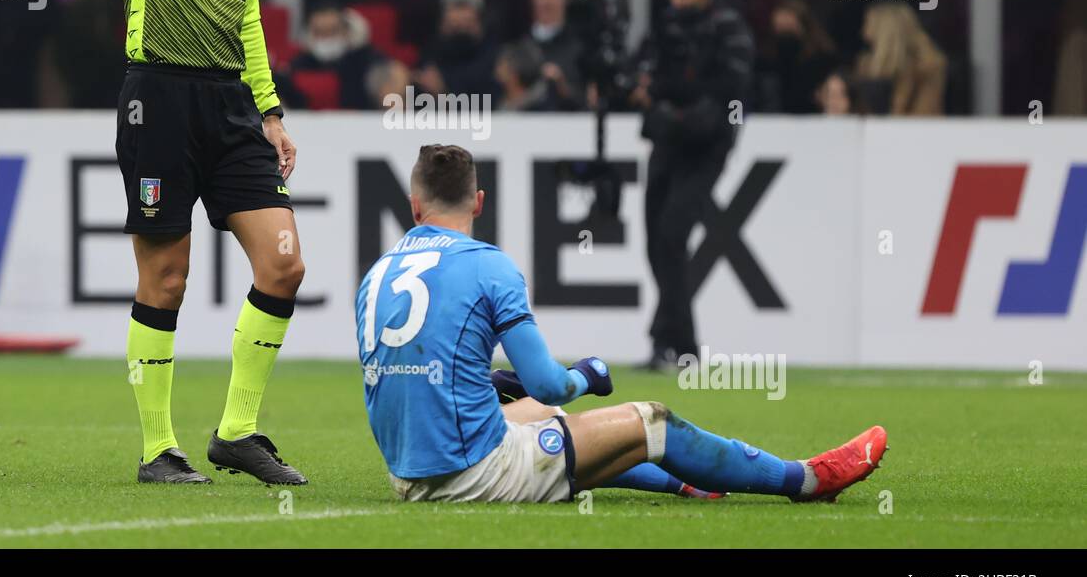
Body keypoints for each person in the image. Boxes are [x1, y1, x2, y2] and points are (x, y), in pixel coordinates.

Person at [355, 144, 887, 504]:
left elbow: (403, 375)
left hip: (407, 473)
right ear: (478, 200)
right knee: (650, 419)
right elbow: (549, 381)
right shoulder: (489, 265)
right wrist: (589, 373)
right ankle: (808, 479)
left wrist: (491, 386)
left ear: (414, 204)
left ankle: (689, 484)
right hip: (471, 475)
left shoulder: (376, 274)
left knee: (543, 415)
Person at [64, 0, 306, 484]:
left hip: (231, 105)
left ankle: (237, 433)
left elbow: (248, 18)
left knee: (285, 263)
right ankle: (157, 449)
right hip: (157, 100)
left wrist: (270, 111)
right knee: (166, 278)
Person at [631, 0, 754, 368]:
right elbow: (643, 73)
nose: (677, 1)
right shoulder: (666, 27)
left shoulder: (728, 29)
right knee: (656, 240)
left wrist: (673, 109)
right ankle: (673, 342)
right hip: (668, 143)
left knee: (671, 233)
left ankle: (674, 344)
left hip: (706, 148)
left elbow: (727, 96)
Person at [856, 2, 947, 116]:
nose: (864, 32)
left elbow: (924, 117)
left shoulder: (926, 69)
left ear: (885, 31)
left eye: (867, 23)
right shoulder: (866, 65)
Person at [287, 5, 384, 109]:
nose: (327, 38)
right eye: (320, 32)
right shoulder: (299, 64)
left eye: (332, 31)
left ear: (346, 31)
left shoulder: (367, 59)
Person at [756, 0, 837, 114]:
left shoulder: (822, 57)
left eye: (789, 27)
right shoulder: (766, 57)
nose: (785, 33)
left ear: (804, 25)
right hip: (773, 117)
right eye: (781, 28)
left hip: (812, 117)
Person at [413, 0, 498, 100]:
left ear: (480, 26)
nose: (461, 30)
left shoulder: (492, 59)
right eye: (453, 26)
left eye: (467, 25)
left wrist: (443, 91)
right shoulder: (431, 54)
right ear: (442, 26)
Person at [522, 0, 584, 110]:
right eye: (541, 7)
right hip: (523, 121)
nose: (544, 12)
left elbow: (586, 100)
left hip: (565, 121)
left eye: (550, 8)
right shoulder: (521, 47)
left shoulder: (579, 48)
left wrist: (562, 85)